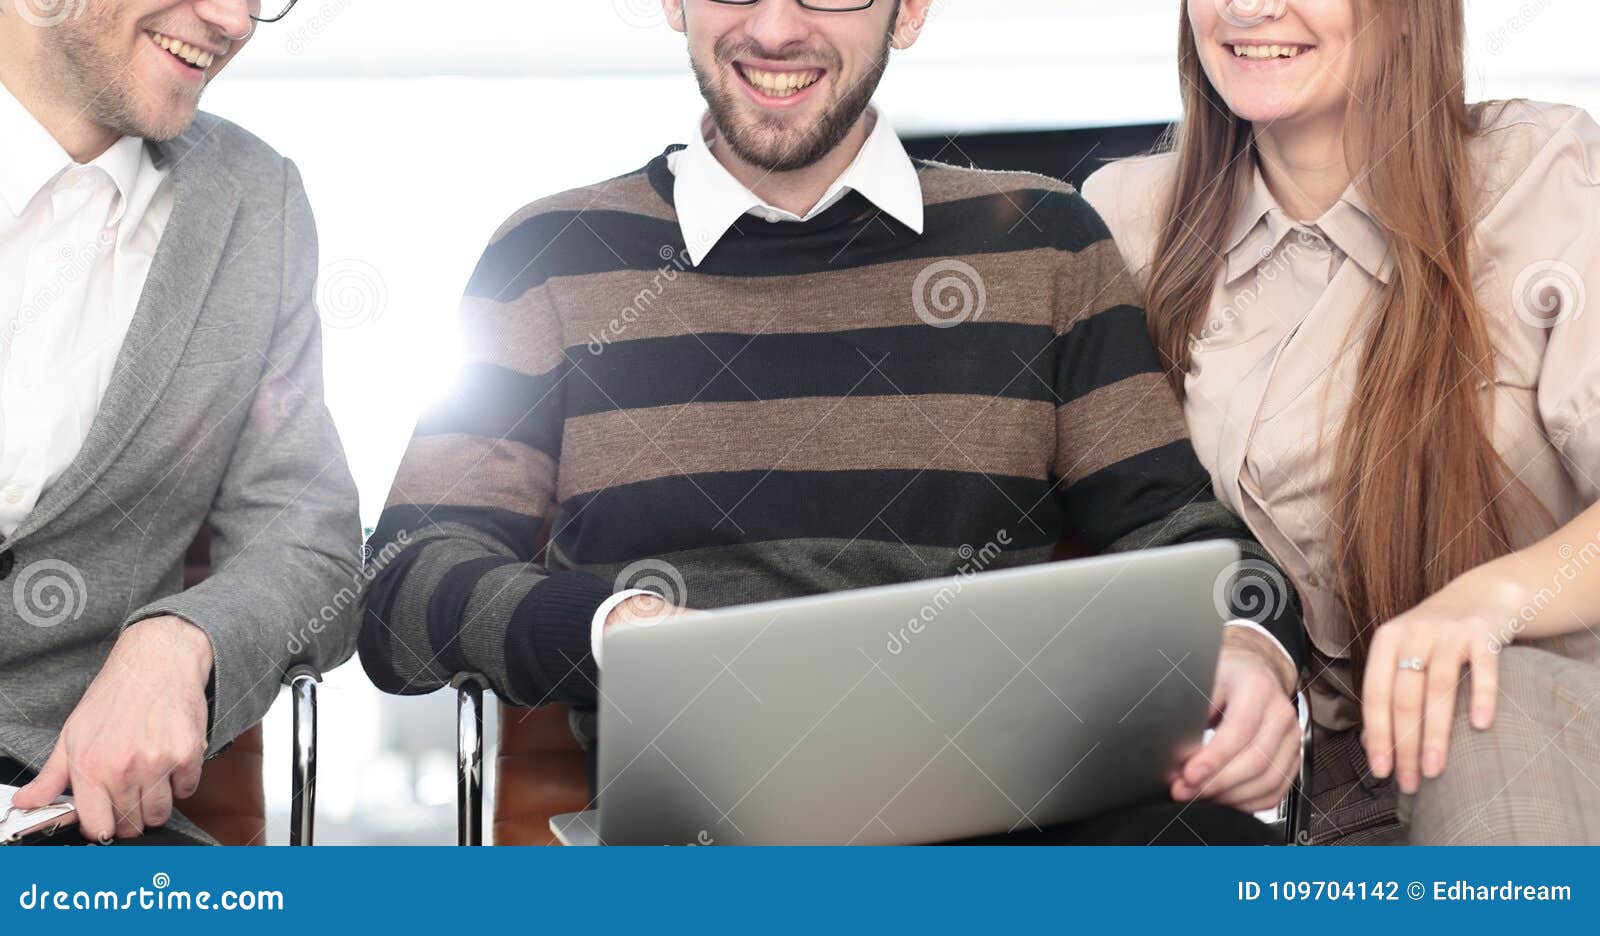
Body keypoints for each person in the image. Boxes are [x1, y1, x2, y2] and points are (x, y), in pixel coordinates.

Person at [360, 0, 1305, 844]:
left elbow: (1181, 532)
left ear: (911, 10)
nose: (774, 29)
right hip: (704, 845)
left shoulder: (1044, 240)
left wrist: (1250, 646)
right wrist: (612, 627)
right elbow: (401, 585)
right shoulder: (549, 258)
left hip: (1019, 831)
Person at [1083, 0, 1600, 844]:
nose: (1249, 8)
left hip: (1528, 765)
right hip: (1274, 805)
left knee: (1481, 705)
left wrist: (1488, 602)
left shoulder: (1545, 175)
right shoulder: (1124, 221)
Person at [1, 0, 362, 845]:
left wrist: (181, 637)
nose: (235, 20)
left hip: (61, 817)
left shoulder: (253, 201)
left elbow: (308, 536)